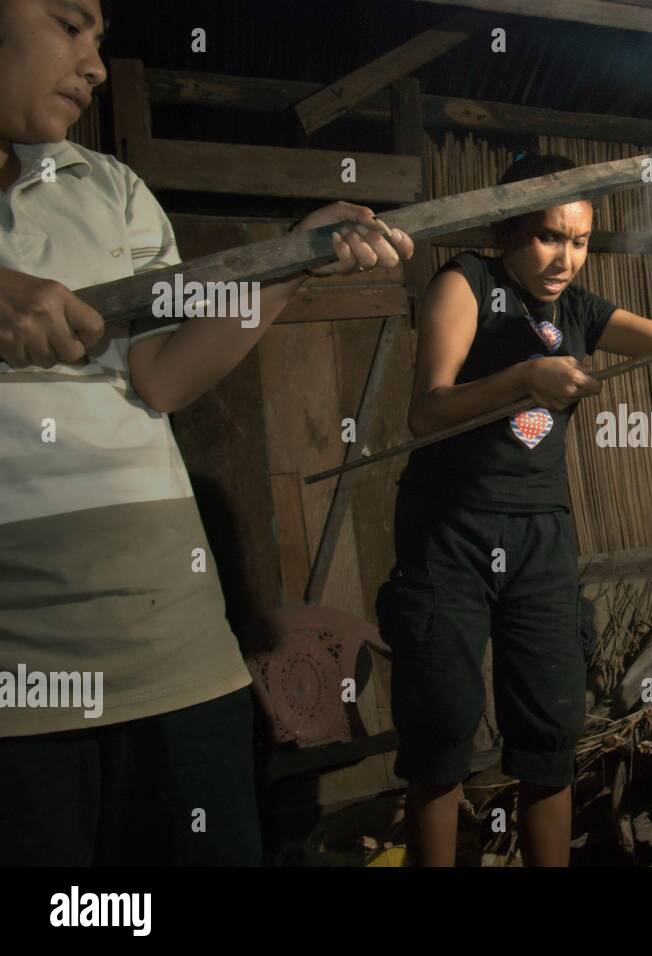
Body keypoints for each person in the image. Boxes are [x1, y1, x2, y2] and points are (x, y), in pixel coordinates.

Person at [0, 0, 414, 865]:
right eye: (69, 25)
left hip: (178, 663)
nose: (95, 64)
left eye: (101, 41)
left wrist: (293, 261)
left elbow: (164, 374)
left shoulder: (108, 190)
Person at [380, 153, 652, 866]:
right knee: (441, 728)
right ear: (509, 229)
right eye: (549, 237)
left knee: (550, 731)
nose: (565, 258)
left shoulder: (581, 311)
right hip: (450, 533)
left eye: (580, 241)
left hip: (541, 536)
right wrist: (522, 376)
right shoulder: (467, 282)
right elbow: (426, 412)